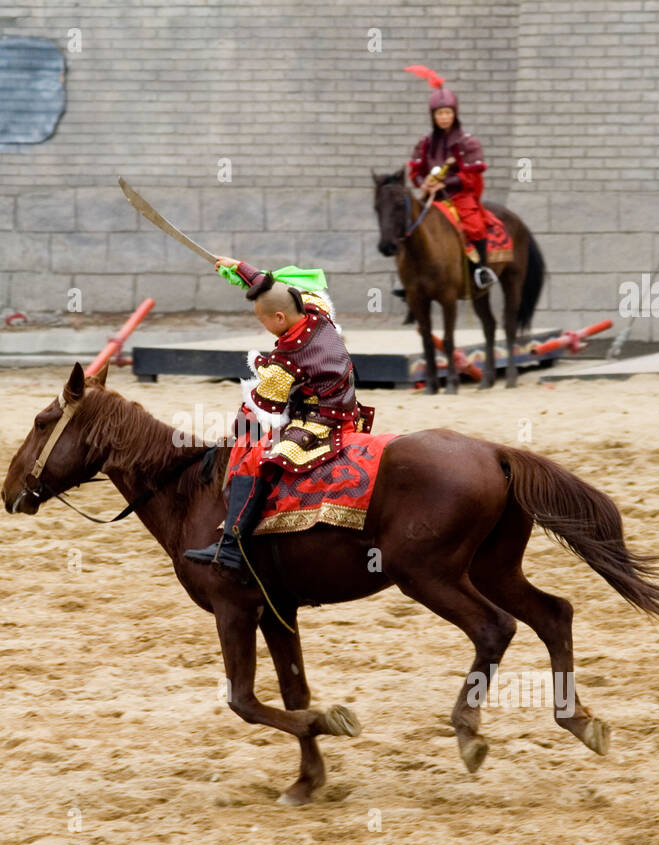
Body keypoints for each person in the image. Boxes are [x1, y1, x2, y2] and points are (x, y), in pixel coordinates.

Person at [184, 257, 373, 570]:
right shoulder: (316, 312)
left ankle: (232, 545)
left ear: (280, 317)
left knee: (255, 456)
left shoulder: (286, 357)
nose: (265, 328)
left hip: (320, 421)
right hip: (346, 405)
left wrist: (239, 430)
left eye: (265, 322)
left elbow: (263, 408)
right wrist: (242, 269)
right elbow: (277, 288)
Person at [396, 65, 498, 298]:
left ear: (455, 114)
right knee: (406, 226)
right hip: (433, 196)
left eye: (448, 113)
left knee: (474, 224)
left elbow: (472, 176)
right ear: (433, 116)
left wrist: (446, 184)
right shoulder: (425, 142)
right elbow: (416, 170)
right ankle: (408, 278)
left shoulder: (467, 142)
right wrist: (424, 182)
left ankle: (481, 270)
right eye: (440, 114)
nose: (444, 118)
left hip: (460, 195)